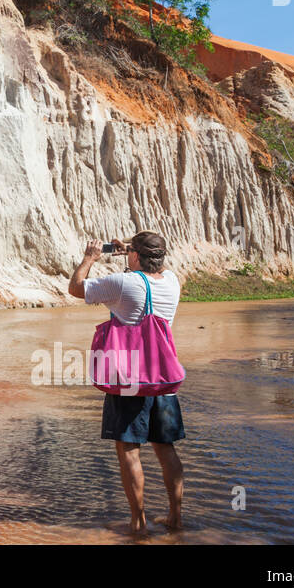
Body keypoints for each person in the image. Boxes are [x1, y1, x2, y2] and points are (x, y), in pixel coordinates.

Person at [68, 230, 184, 536]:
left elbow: (76, 288)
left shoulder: (124, 284)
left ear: (135, 255)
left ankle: (137, 523)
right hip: (163, 377)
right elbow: (147, 272)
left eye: (132, 250)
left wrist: (90, 258)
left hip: (130, 379)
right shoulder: (172, 282)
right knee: (166, 448)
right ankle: (175, 518)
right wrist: (130, 252)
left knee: (129, 450)